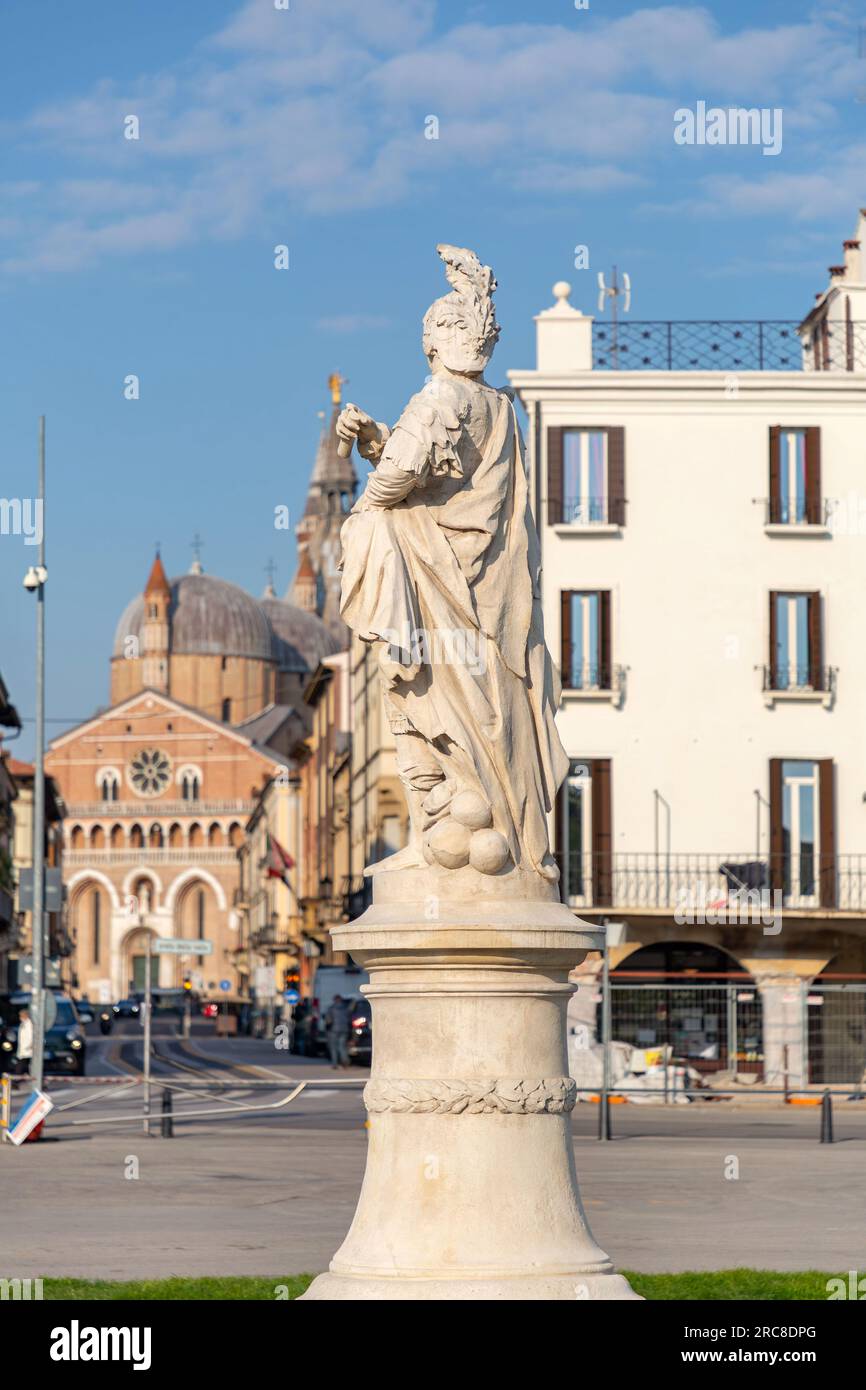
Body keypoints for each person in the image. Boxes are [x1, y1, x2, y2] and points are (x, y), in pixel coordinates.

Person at [337, 244, 567, 886]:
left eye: (445, 327)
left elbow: (404, 475)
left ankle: (445, 830)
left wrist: (362, 514)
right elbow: (442, 477)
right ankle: (489, 828)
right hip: (485, 586)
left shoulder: (439, 397)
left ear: (436, 340)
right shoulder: (499, 406)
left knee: (423, 699)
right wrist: (377, 441)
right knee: (485, 706)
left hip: (438, 581)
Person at [324, 994, 350, 1069]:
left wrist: (327, 1027)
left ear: (334, 1000)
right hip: (345, 1029)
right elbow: (349, 1018)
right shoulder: (346, 1008)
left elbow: (328, 1020)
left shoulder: (331, 1008)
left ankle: (335, 1064)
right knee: (342, 1046)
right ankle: (345, 1060)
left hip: (334, 1030)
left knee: (333, 1047)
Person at [16, 1006, 33, 1076]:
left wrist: (28, 1046)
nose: (20, 1017)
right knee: (25, 1065)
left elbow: (30, 1036)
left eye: (21, 1015)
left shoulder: (29, 1024)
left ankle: (16, 1080)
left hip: (27, 1048)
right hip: (23, 1048)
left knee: (21, 1065)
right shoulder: (23, 1024)